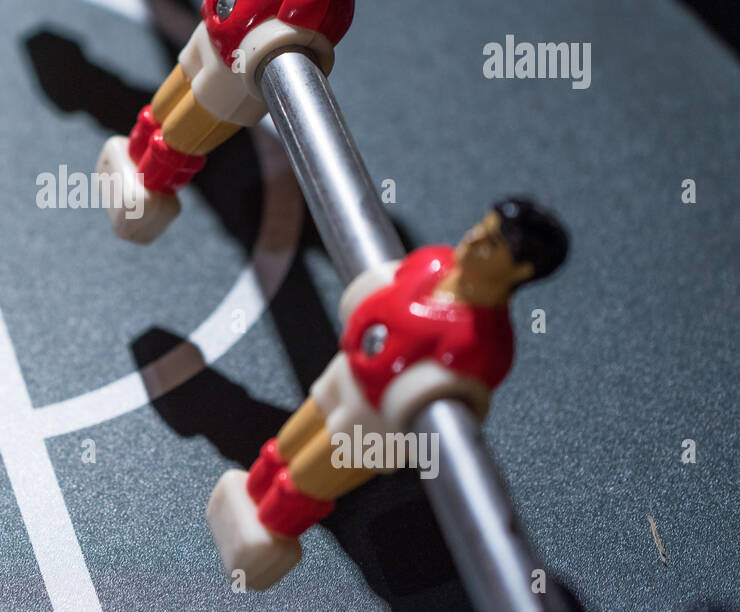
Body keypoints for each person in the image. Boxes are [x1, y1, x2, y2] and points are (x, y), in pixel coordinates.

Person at [207, 199, 569, 590]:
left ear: (520, 270)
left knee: (302, 480)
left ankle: (260, 545)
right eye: (483, 225)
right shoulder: (433, 262)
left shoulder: (484, 342)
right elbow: (383, 284)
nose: (476, 236)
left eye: (493, 241)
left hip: (377, 424)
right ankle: (246, 501)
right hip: (344, 375)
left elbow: (461, 396)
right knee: (284, 448)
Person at [99, 0, 399, 243]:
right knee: (156, 111)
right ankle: (125, 164)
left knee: (173, 140)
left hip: (232, 78)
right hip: (206, 37)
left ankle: (142, 201)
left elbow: (294, 46)